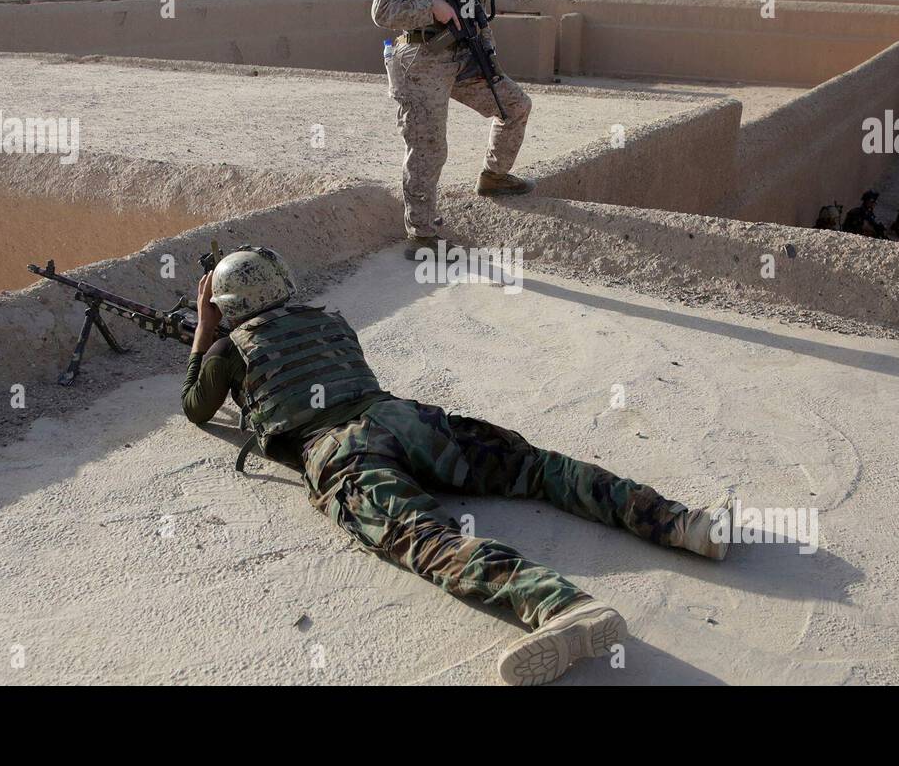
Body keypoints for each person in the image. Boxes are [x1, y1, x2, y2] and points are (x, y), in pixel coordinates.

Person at [183, 249, 735, 686]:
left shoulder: (226, 347)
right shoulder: (330, 320)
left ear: (226, 305)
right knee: (535, 467)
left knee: (423, 537)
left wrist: (203, 334)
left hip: (339, 450)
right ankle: (682, 524)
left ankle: (561, 607)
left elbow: (196, 408)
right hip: (402, 418)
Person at [372, 0, 535, 260]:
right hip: (419, 59)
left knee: (514, 105)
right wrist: (433, 7)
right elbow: (382, 11)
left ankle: (493, 177)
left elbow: (473, 5)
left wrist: (487, 51)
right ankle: (421, 235)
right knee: (429, 147)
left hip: (462, 54)